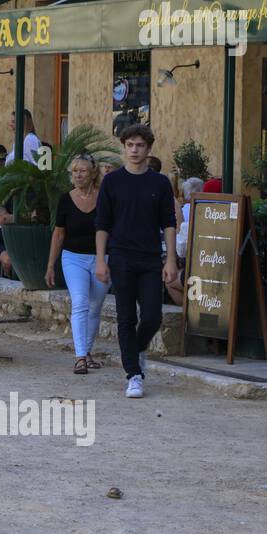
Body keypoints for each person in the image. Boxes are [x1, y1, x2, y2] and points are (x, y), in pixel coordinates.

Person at [95, 124, 178, 399]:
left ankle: (137, 349)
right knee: (126, 318)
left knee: (153, 315)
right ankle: (134, 374)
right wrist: (100, 260)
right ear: (124, 147)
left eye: (139, 145)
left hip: (151, 258)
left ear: (148, 148)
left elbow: (169, 223)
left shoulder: (160, 183)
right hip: (120, 257)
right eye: (130, 145)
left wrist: (171, 260)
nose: (134, 150)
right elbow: (102, 224)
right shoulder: (112, 182)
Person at [47, 153, 110, 374]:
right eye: (75, 171)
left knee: (95, 307)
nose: (78, 175)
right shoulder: (66, 199)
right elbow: (58, 234)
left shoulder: (105, 197)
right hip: (73, 257)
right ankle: (80, 356)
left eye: (83, 170)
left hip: (102, 258)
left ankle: (87, 351)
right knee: (81, 302)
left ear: (93, 173)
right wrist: (50, 265)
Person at [167, 176, 206, 306]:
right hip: (212, 268)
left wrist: (179, 219)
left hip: (197, 273)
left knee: (169, 280)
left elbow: (181, 250)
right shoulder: (209, 210)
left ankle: (187, 313)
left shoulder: (184, 212)